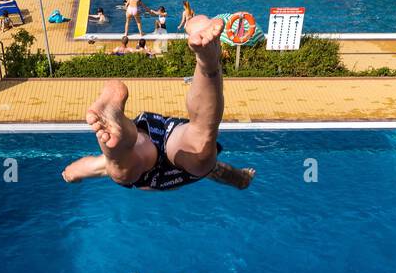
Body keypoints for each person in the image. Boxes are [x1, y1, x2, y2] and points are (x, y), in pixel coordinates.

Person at [62, 16, 255, 192]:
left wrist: (70, 175)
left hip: (148, 146)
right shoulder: (212, 169)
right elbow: (228, 174)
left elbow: (78, 169)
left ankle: (118, 147)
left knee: (124, 169)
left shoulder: (211, 169)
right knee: (202, 145)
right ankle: (207, 60)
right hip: (169, 138)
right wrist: (241, 179)